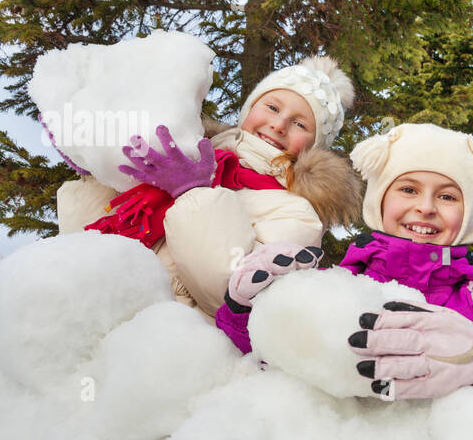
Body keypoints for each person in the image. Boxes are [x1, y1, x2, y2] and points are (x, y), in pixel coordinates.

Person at [215, 122, 473, 399]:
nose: (426, 207)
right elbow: (270, 365)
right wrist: (247, 311)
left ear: (470, 215)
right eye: (408, 189)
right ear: (379, 199)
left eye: (448, 196)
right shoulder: (341, 279)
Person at [54, 55, 362, 317]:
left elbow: (229, 296)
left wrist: (192, 193)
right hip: (103, 316)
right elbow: (87, 242)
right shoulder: (183, 154)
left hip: (183, 352)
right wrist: (95, 173)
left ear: (314, 145)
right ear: (249, 109)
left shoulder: (297, 213)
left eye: (300, 124)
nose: (279, 124)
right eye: (271, 107)